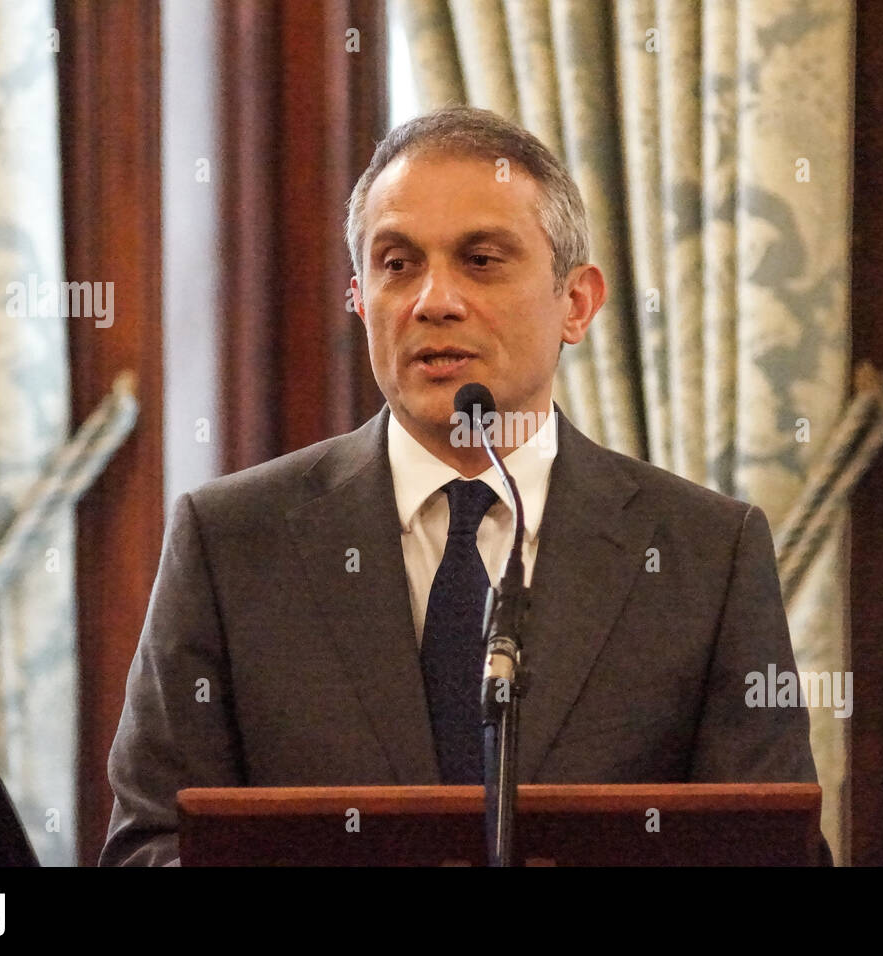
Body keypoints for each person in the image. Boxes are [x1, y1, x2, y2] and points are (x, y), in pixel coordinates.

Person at [100, 105, 828, 866]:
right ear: (360, 298)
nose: (434, 300)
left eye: (481, 260)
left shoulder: (705, 553)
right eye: (397, 263)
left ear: (575, 303)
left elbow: (774, 849)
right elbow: (148, 849)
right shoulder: (229, 541)